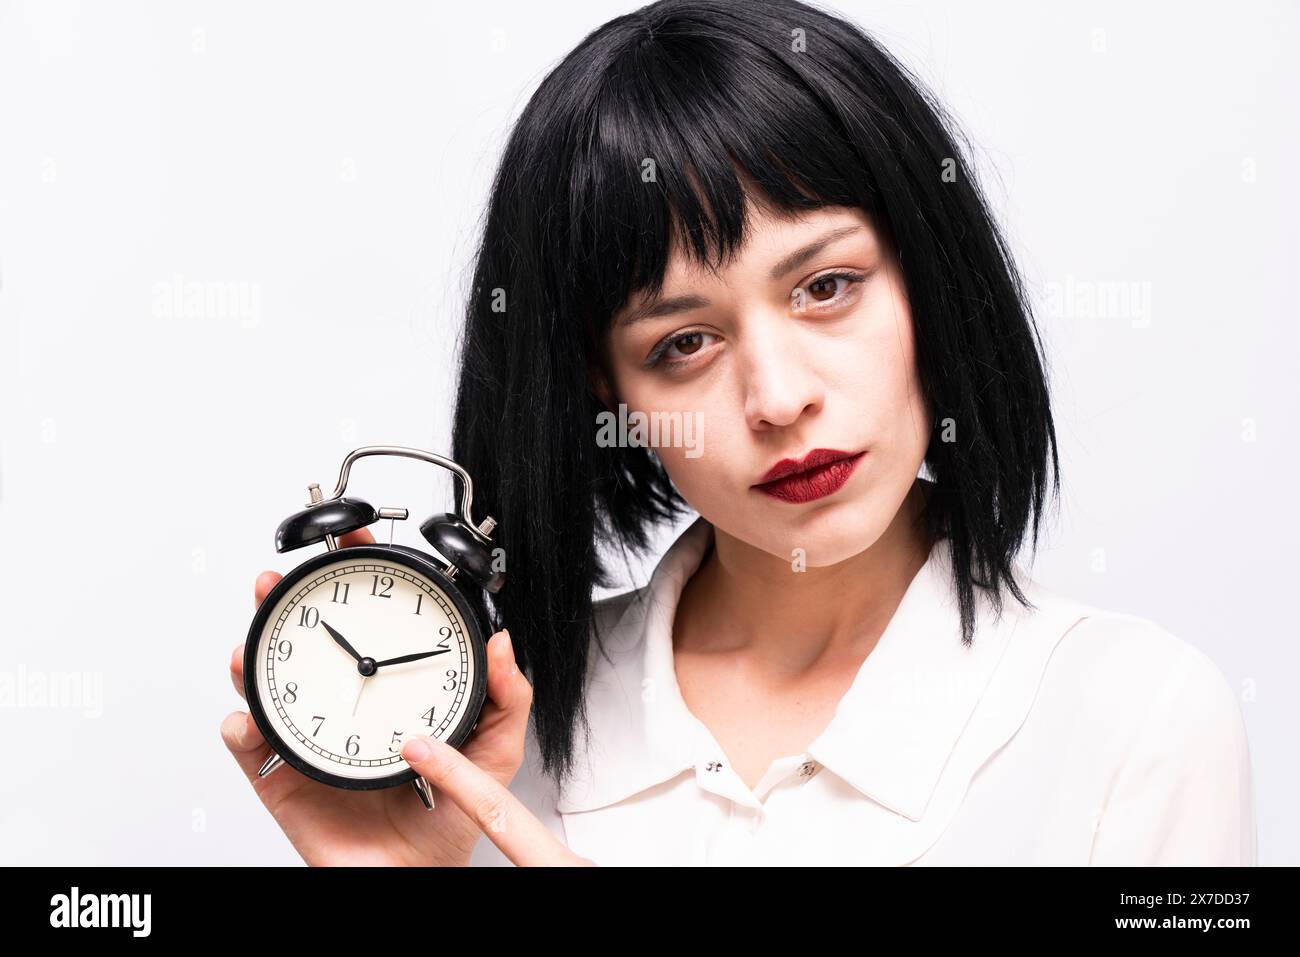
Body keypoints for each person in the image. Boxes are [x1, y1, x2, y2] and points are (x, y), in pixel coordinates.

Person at [222, 0, 1257, 866]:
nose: (776, 397)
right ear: (602, 395)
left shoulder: (1135, 719)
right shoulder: (488, 732)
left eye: (827, 286)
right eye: (682, 343)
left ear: (928, 281)